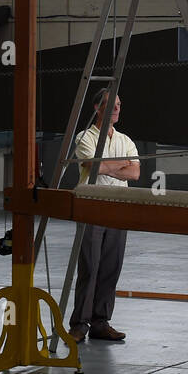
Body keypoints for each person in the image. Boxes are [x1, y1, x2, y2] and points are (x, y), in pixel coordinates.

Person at [69, 90, 139, 343]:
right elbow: (93, 167)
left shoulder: (126, 140)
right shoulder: (84, 137)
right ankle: (79, 324)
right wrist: (121, 164)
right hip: (92, 206)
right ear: (98, 108)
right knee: (90, 265)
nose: (117, 109)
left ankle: (101, 322)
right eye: (111, 105)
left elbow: (135, 174)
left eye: (119, 104)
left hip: (119, 207)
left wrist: (110, 165)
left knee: (111, 266)